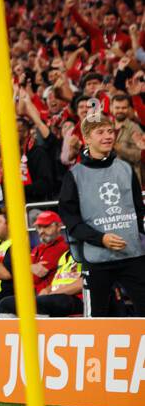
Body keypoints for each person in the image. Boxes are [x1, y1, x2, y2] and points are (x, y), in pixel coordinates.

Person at [59, 110, 145, 315]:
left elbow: (138, 211)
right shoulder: (74, 175)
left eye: (110, 131)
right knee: (96, 319)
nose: (108, 136)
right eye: (100, 132)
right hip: (96, 259)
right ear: (86, 138)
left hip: (133, 256)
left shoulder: (126, 169)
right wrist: (101, 238)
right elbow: (72, 222)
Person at [0, 212, 83, 317]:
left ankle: (37, 327)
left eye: (46, 226)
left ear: (59, 227)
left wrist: (26, 268)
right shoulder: (42, 250)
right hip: (44, 294)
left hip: (67, 298)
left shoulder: (61, 248)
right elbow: (25, 276)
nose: (42, 231)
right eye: (39, 227)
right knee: (5, 304)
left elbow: (39, 273)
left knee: (40, 303)